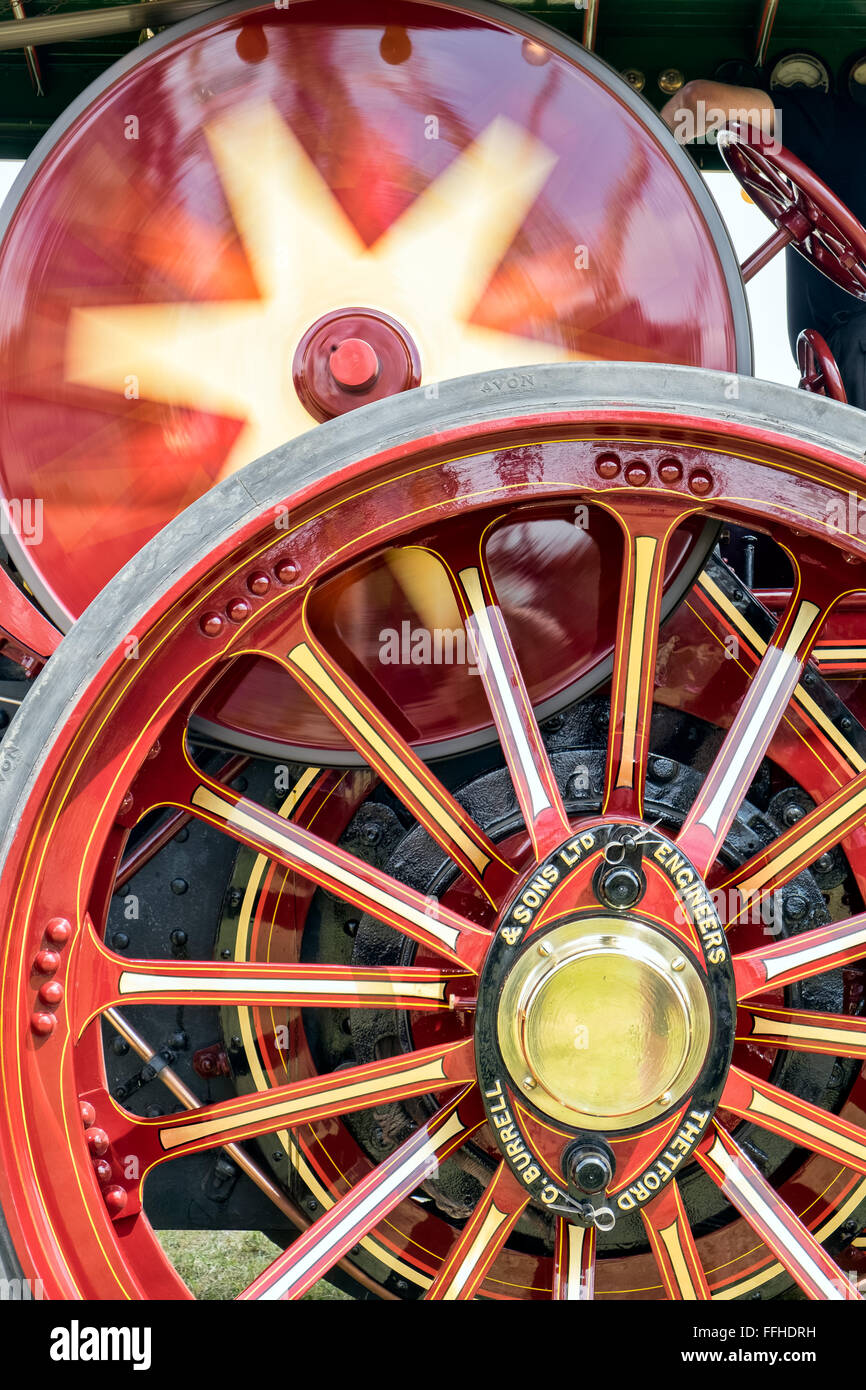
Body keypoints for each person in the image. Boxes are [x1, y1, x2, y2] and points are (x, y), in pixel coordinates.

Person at [660, 79, 866, 407]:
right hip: (838, 373)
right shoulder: (837, 125)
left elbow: (699, 101)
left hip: (837, 368)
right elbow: (700, 100)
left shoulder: (836, 125)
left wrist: (635, 180)